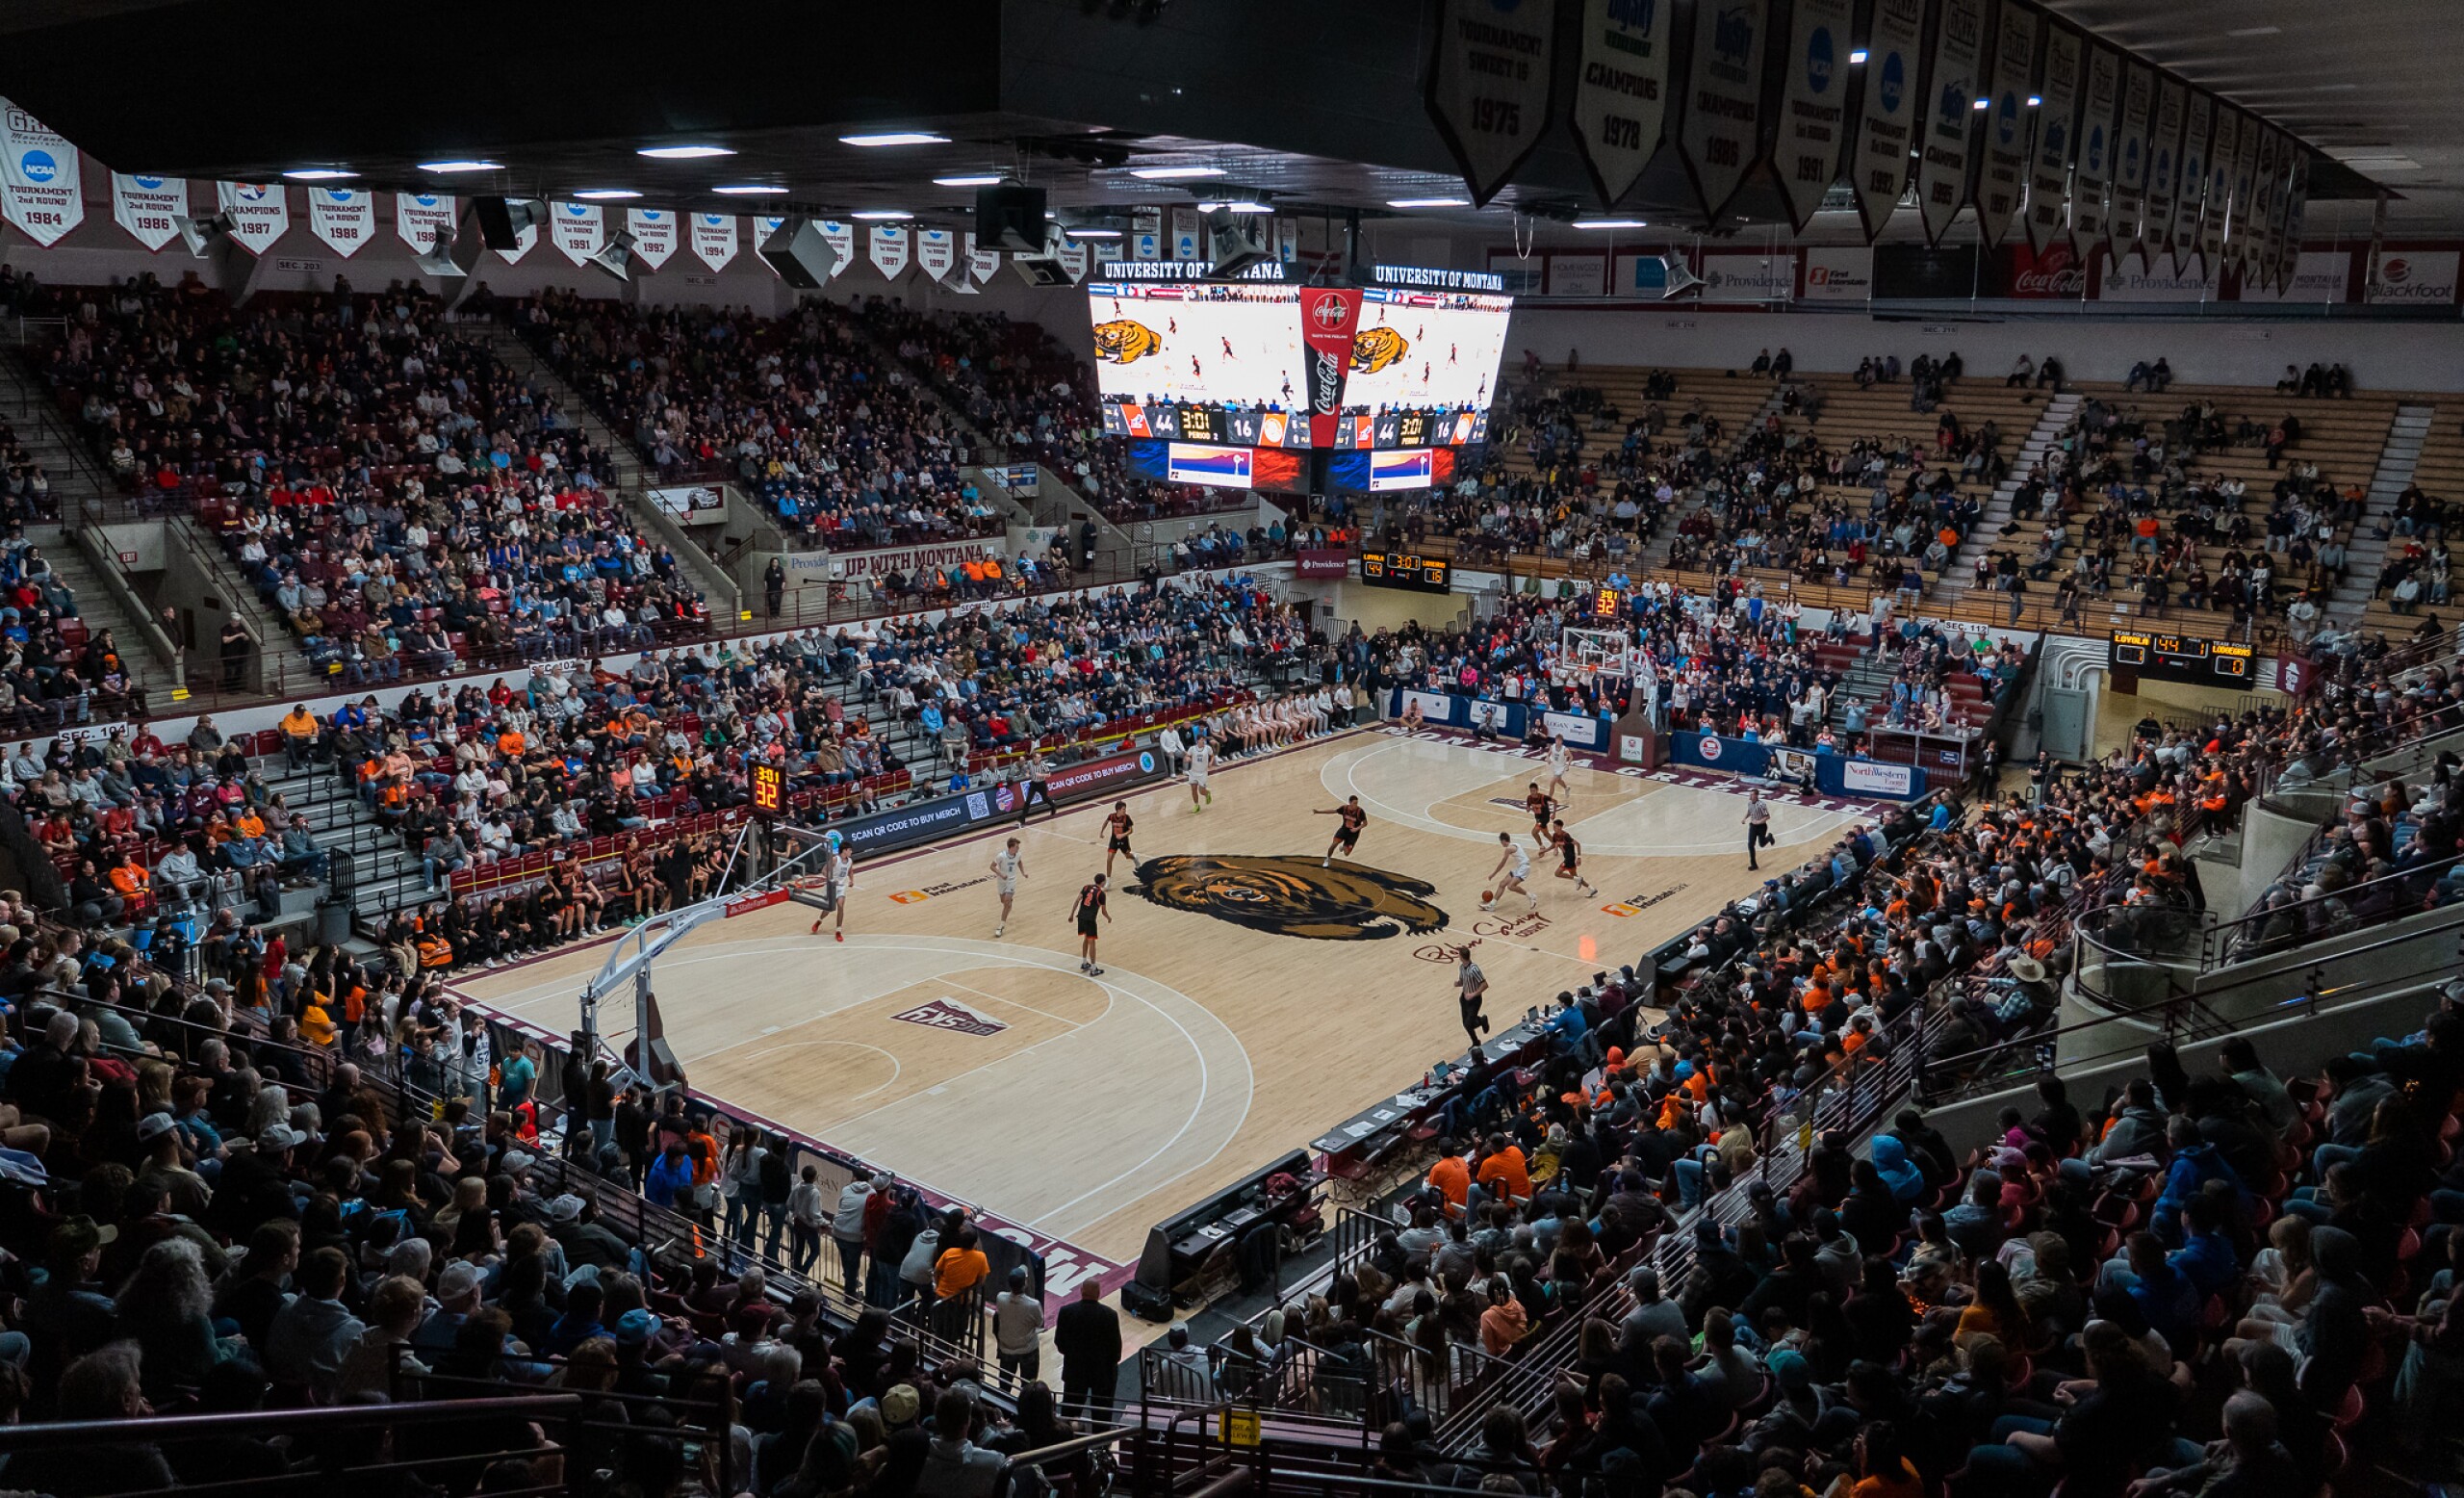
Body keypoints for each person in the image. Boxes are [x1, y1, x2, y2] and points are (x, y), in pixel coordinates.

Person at [1054, 1278, 1121, 1422]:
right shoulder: (1110, 1315)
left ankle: (1067, 1438)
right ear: (1098, 1293)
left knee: (1070, 1413)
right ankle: (1102, 1442)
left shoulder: (1066, 1312)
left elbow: (1059, 1343)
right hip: (1101, 1374)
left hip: (1075, 1371)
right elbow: (1116, 1350)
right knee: (1101, 1415)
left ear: (1081, 1291)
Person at [992, 1267, 1042, 1383]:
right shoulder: (1033, 1305)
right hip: (1028, 1350)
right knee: (1029, 1385)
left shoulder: (1000, 1298)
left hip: (1006, 1349)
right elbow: (1039, 1323)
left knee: (1004, 1385)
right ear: (1025, 1284)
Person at [808, 838, 852, 943]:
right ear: (844, 850)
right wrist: (831, 880)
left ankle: (838, 931)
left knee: (840, 906)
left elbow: (850, 871)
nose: (851, 852)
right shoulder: (835, 859)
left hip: (841, 887)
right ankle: (819, 921)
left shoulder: (850, 861)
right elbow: (824, 870)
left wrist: (851, 880)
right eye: (850, 850)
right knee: (828, 909)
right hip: (831, 886)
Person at [1485, 830, 1536, 913]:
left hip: (1524, 867)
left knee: (1510, 886)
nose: (1501, 844)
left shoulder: (1508, 849)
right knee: (1502, 884)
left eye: (1501, 842)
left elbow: (1502, 863)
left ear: (1503, 841)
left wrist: (1493, 874)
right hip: (1520, 867)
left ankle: (1531, 896)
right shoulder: (1516, 844)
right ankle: (1492, 905)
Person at [1072, 873, 1112, 976]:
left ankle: (1084, 962)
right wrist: (1108, 918)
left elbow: (1077, 900)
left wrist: (1072, 914)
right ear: (1102, 882)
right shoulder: (1101, 894)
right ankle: (1094, 969)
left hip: (1080, 917)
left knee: (1086, 938)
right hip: (1090, 920)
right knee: (1092, 943)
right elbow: (1103, 911)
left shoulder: (1086, 887)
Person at [1454, 943, 1490, 1052]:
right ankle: (1476, 1039)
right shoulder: (1461, 967)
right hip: (1464, 998)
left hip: (1475, 1000)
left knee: (1469, 1024)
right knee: (1466, 1024)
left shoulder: (1474, 969)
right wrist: (1458, 983)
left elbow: (1485, 984)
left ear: (1461, 957)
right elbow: (1463, 981)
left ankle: (1481, 1022)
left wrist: (1473, 994)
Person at [989, 837, 1027, 938]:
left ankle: (1001, 926)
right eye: (1016, 846)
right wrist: (1001, 874)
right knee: (1003, 901)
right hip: (1002, 881)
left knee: (1006, 903)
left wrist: (1023, 873)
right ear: (1011, 847)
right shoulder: (1001, 856)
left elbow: (1019, 861)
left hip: (1011, 881)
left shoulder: (1018, 854)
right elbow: (992, 866)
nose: (1018, 848)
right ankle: (1009, 901)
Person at [1550, 819, 1597, 898]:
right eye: (1553, 826)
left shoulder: (1566, 835)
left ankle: (1577, 879)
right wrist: (1545, 850)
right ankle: (1592, 889)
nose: (1554, 828)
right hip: (1567, 857)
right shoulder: (1554, 835)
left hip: (1570, 858)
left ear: (1560, 827)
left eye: (1555, 826)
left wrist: (1579, 857)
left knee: (1557, 873)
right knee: (1575, 876)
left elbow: (1577, 844)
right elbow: (1554, 844)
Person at [1316, 795, 1368, 866]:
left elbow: (1365, 823)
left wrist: (1356, 829)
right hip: (1344, 830)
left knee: (1346, 854)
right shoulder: (1344, 808)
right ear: (1350, 802)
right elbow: (1333, 811)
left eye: (1356, 803)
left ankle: (1343, 847)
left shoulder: (1360, 812)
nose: (1356, 805)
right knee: (1334, 844)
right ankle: (1327, 859)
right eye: (1354, 803)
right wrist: (1319, 812)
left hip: (1353, 834)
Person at [1101, 800, 1135, 877]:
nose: (1125, 811)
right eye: (1124, 809)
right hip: (1114, 841)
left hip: (1124, 841)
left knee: (1127, 856)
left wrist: (1123, 835)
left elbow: (1131, 830)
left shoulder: (1127, 818)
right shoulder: (1111, 816)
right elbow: (1106, 822)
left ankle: (1135, 858)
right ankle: (1108, 880)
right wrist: (1101, 832)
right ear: (1118, 810)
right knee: (1109, 859)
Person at [219, 612, 251, 691]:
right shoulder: (226, 628)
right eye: (234, 621)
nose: (236, 623)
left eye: (237, 621)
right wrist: (237, 635)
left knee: (239, 670)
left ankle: (235, 685)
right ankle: (229, 688)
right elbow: (225, 640)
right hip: (227, 653)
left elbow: (247, 638)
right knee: (229, 671)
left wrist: (244, 636)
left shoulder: (241, 628)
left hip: (239, 653)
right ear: (231, 621)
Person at [1184, 728, 1214, 812]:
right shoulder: (1192, 749)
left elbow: (1212, 755)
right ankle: (1196, 805)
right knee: (1193, 788)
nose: (1203, 741)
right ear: (1197, 741)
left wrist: (1211, 762)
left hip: (1203, 773)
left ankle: (1207, 793)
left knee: (1201, 791)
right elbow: (1187, 756)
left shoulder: (1208, 748)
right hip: (1193, 772)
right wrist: (1187, 758)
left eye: (1204, 740)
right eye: (1201, 740)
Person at [1743, 788, 1772, 870]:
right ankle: (1754, 864)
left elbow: (1768, 816)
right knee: (1750, 844)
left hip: (1761, 826)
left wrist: (1759, 821)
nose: (1750, 796)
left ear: (1756, 796)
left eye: (1751, 794)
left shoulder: (1762, 805)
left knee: (1762, 844)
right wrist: (1744, 818)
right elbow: (1749, 811)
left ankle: (1769, 837)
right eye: (1750, 794)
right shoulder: (1749, 803)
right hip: (1753, 826)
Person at [1544, 734, 1573, 809]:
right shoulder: (1552, 747)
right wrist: (1548, 759)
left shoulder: (1565, 750)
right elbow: (1548, 754)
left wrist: (1568, 763)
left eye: (1559, 740)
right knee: (1559, 780)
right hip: (1554, 766)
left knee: (1552, 783)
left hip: (1561, 767)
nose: (1557, 742)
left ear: (1562, 741)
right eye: (1556, 740)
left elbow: (1571, 757)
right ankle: (1566, 788)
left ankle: (1548, 799)